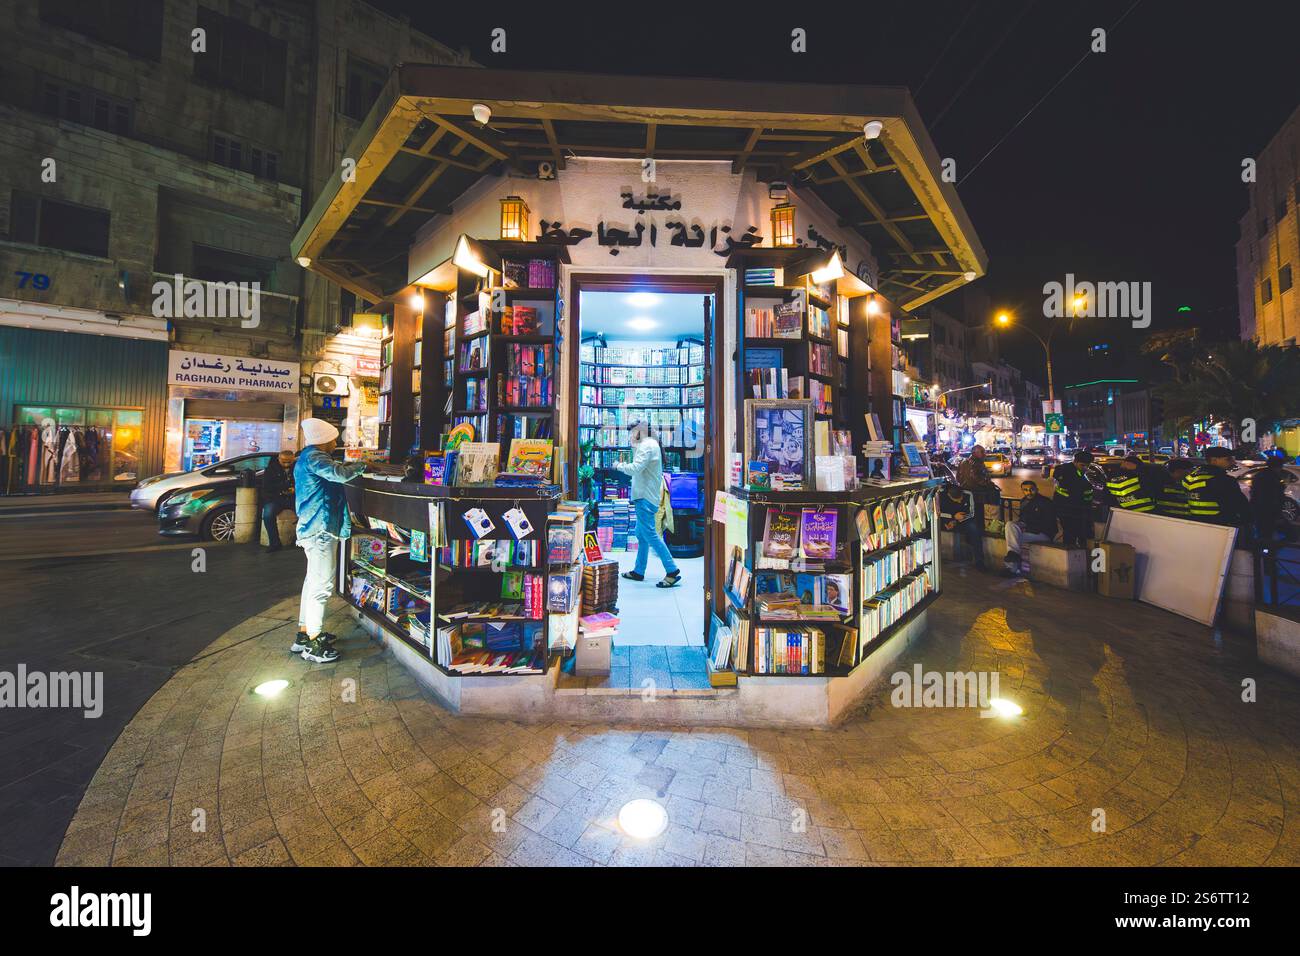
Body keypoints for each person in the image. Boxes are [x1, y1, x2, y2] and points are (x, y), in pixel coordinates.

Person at [290, 418, 367, 663]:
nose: (336, 443)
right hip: (321, 528)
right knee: (321, 586)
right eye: (334, 438)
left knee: (311, 581)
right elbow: (339, 474)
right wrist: (363, 465)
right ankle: (314, 644)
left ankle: (304, 633)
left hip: (311, 526)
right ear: (325, 440)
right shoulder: (316, 458)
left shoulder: (305, 457)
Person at [615, 420, 681, 587]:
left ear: (639, 431)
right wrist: (634, 445)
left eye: (632, 432)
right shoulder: (649, 444)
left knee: (650, 535)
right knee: (641, 535)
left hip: (644, 497)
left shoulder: (647, 445)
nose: (630, 435)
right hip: (646, 496)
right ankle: (638, 571)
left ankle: (672, 570)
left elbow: (635, 468)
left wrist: (618, 465)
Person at [1183, 446, 1251, 529]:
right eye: (1228, 459)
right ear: (1214, 460)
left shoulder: (1189, 478)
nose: (1233, 462)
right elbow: (1240, 505)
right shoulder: (1223, 480)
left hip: (1196, 525)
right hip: (1222, 526)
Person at [1003, 480, 1058, 576]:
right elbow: (1023, 520)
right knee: (1010, 525)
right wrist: (1021, 526)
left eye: (1031, 489)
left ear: (1037, 489)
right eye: (1025, 490)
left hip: (1042, 534)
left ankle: (1011, 568)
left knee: (1014, 539)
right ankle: (1013, 562)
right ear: (1022, 490)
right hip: (1029, 531)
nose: (1029, 492)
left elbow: (1049, 523)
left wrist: (1026, 528)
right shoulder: (1024, 501)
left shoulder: (1045, 502)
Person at [939, 483, 987, 571]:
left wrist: (957, 520)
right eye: (956, 500)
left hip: (964, 520)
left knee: (974, 528)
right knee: (931, 527)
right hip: (946, 519)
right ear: (949, 496)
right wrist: (952, 517)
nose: (960, 501)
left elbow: (972, 513)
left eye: (960, 499)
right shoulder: (941, 494)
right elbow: (937, 511)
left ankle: (979, 561)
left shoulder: (968, 494)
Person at [1053, 450, 1095, 548]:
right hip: (1067, 509)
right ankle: (1070, 556)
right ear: (1075, 462)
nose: (1085, 468)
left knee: (1083, 535)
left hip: (1081, 509)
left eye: (1087, 465)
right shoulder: (1065, 471)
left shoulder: (1082, 472)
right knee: (1070, 535)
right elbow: (1076, 488)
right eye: (1082, 465)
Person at [260, 449, 296, 552]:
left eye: (289, 461)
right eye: (284, 461)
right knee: (268, 516)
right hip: (276, 498)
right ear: (279, 459)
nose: (286, 464)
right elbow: (267, 487)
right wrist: (284, 488)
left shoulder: (297, 467)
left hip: (293, 497)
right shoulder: (271, 469)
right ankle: (274, 543)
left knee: (305, 512)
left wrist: (294, 489)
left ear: (293, 459)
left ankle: (301, 539)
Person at [1249, 456, 1287, 545]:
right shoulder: (1274, 478)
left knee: (1261, 534)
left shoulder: (1259, 475)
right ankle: (1268, 554)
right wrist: (1278, 514)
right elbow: (1274, 497)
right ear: (1279, 466)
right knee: (1269, 535)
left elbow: (1254, 493)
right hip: (1269, 511)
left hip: (1258, 510)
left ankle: (1262, 553)